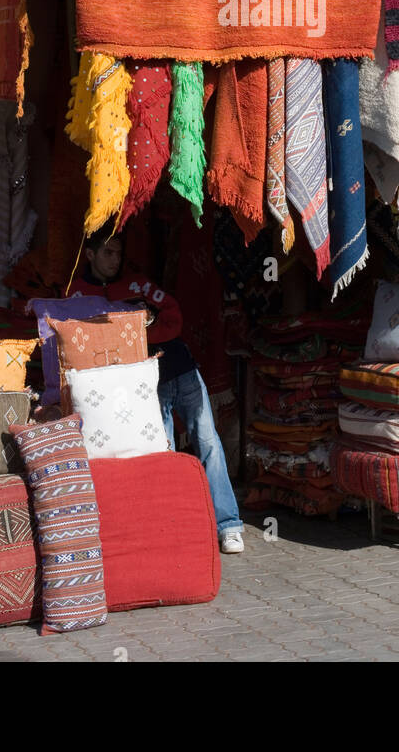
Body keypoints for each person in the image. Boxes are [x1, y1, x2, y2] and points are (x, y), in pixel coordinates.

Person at [71, 228, 245, 554]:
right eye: (107, 252)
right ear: (90, 255)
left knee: (207, 443)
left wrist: (138, 337)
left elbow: (174, 315)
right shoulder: (77, 295)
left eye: (118, 252)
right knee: (159, 456)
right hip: (142, 389)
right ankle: (171, 530)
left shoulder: (137, 285)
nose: (115, 259)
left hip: (181, 371)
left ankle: (229, 526)